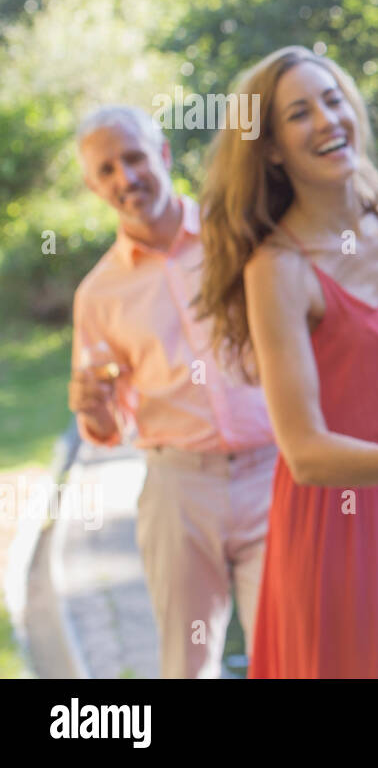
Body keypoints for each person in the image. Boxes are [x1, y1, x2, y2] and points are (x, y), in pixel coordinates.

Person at [195, 46, 378, 678]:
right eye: (300, 113)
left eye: (332, 100)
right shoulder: (278, 270)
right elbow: (305, 455)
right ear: (271, 148)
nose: (327, 120)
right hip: (342, 523)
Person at [69, 105, 279, 678]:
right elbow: (106, 428)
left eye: (133, 158)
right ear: (94, 185)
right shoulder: (99, 294)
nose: (125, 178)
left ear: (162, 154)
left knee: (286, 653)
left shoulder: (238, 236)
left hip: (272, 473)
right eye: (106, 170)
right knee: (185, 664)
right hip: (177, 488)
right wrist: (94, 409)